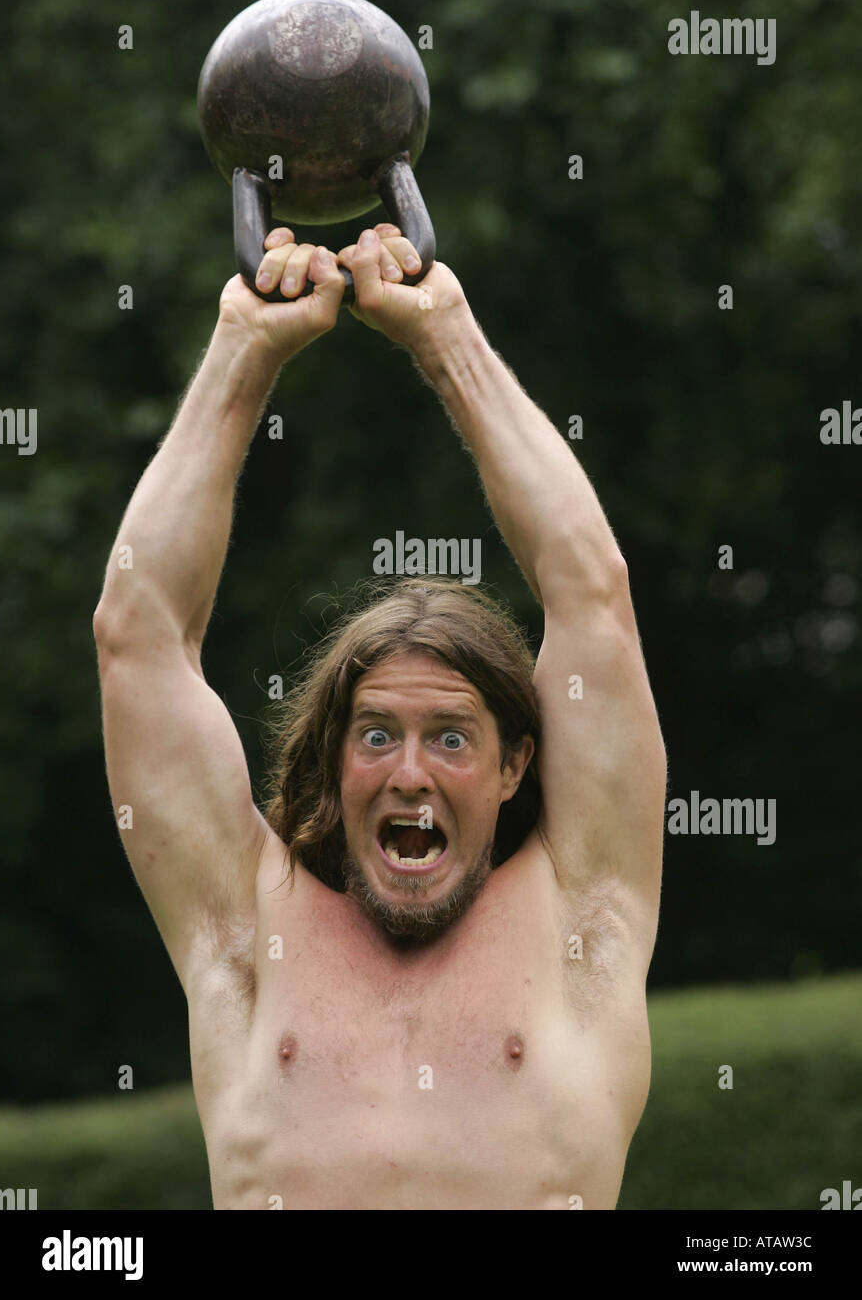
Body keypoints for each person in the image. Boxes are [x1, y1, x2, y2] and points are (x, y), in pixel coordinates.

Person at [93, 225, 666, 1210]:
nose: (409, 773)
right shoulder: (244, 939)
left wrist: (446, 336)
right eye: (374, 735)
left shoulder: (583, 924)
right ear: (335, 759)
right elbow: (137, 631)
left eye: (451, 736)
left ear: (514, 765)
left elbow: (591, 593)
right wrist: (244, 349)